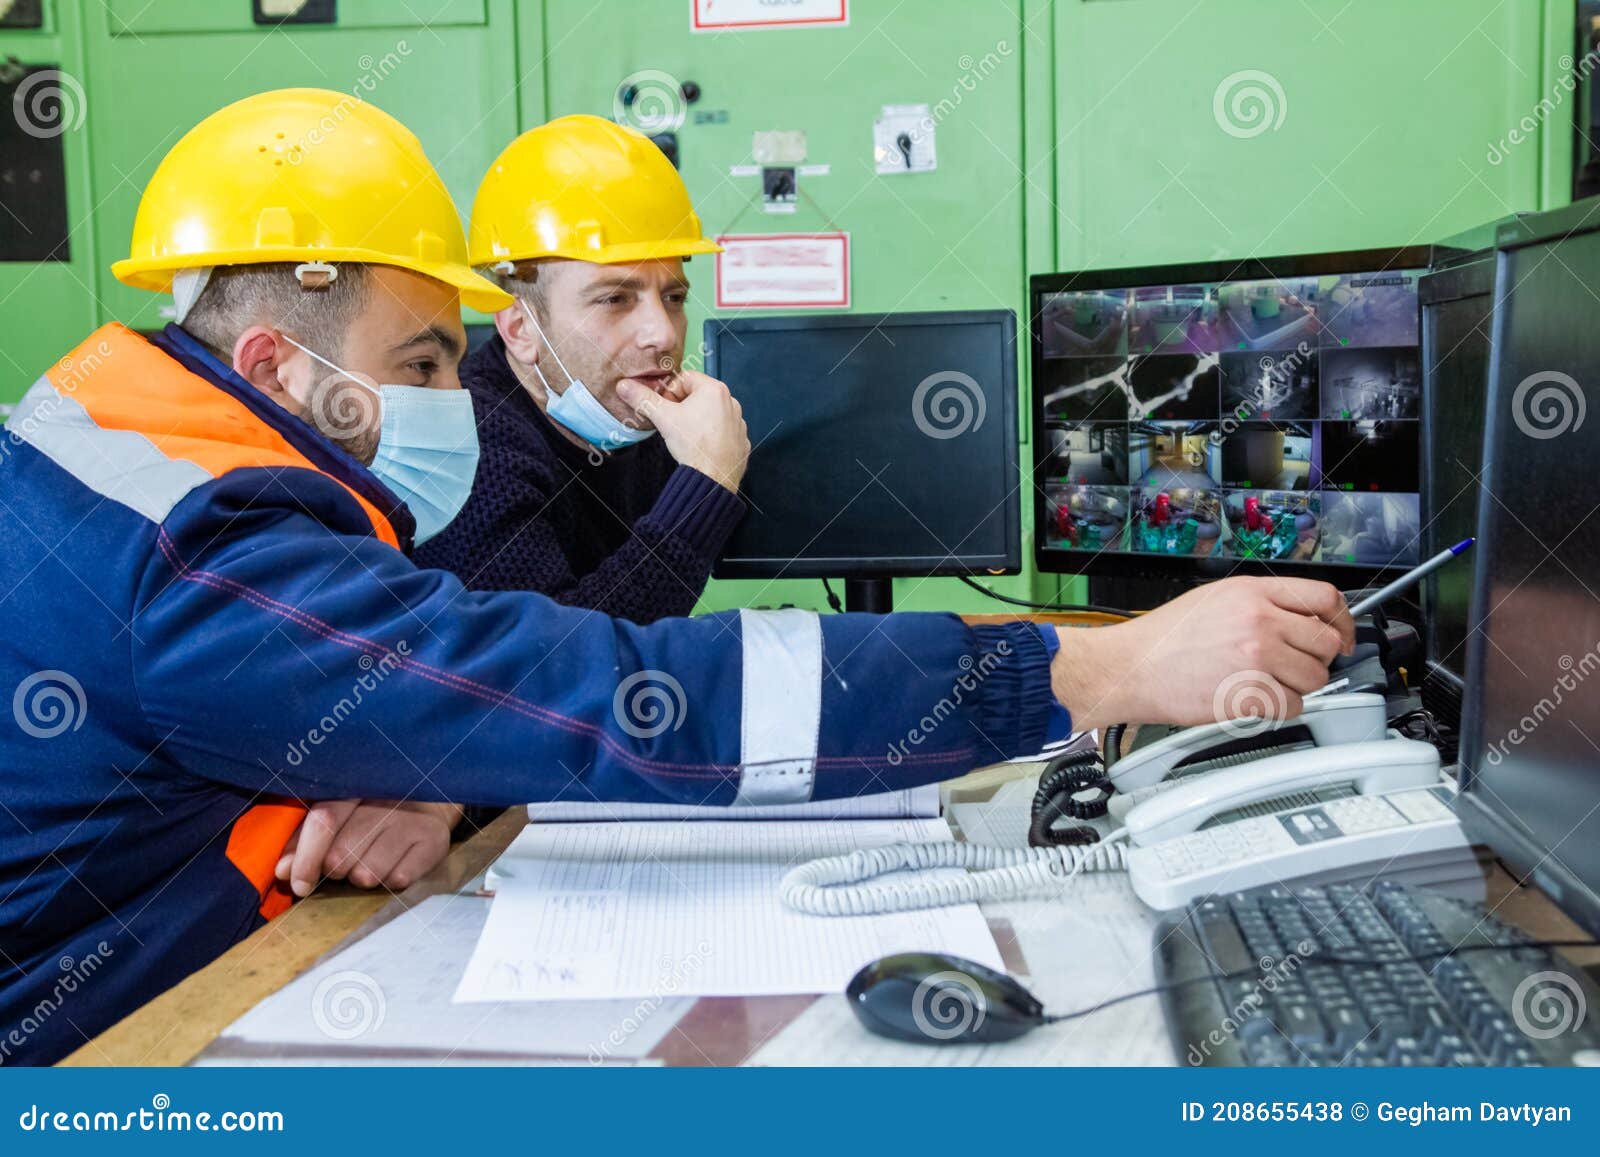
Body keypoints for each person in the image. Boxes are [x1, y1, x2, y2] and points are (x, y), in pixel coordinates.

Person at [0, 90, 1354, 1065]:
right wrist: (1098, 667)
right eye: (422, 363)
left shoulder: (108, 433)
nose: (446, 399)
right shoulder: (200, 551)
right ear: (276, 370)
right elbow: (613, 689)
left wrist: (401, 757)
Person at [413, 116, 748, 624]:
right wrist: (704, 484)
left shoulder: (650, 418)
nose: (661, 333)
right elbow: (557, 665)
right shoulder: (471, 448)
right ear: (521, 328)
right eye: (615, 299)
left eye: (674, 296)